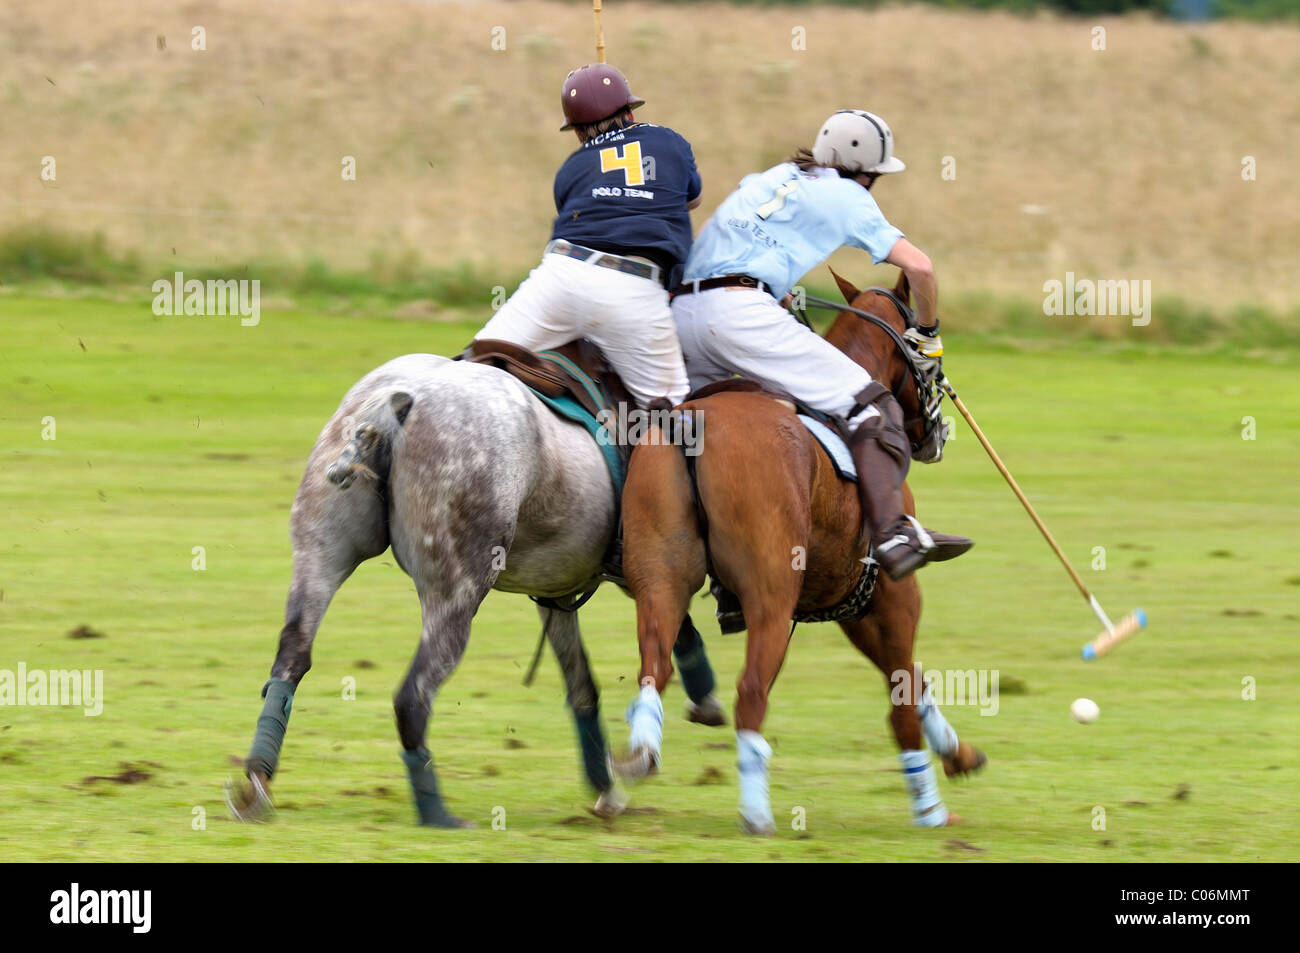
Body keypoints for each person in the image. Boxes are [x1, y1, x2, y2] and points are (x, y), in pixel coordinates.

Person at [670, 109, 971, 581]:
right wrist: (927, 335)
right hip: (740, 317)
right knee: (872, 406)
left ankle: (668, 552)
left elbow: (711, 237)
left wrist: (775, 286)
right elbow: (921, 270)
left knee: (676, 435)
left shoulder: (771, 177)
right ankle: (892, 532)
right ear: (869, 174)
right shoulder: (851, 196)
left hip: (681, 312)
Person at [473, 63, 701, 409]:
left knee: (477, 363)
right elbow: (691, 200)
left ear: (578, 132)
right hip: (631, 288)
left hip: (561, 275)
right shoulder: (669, 140)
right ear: (629, 110)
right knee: (674, 420)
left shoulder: (572, 167)